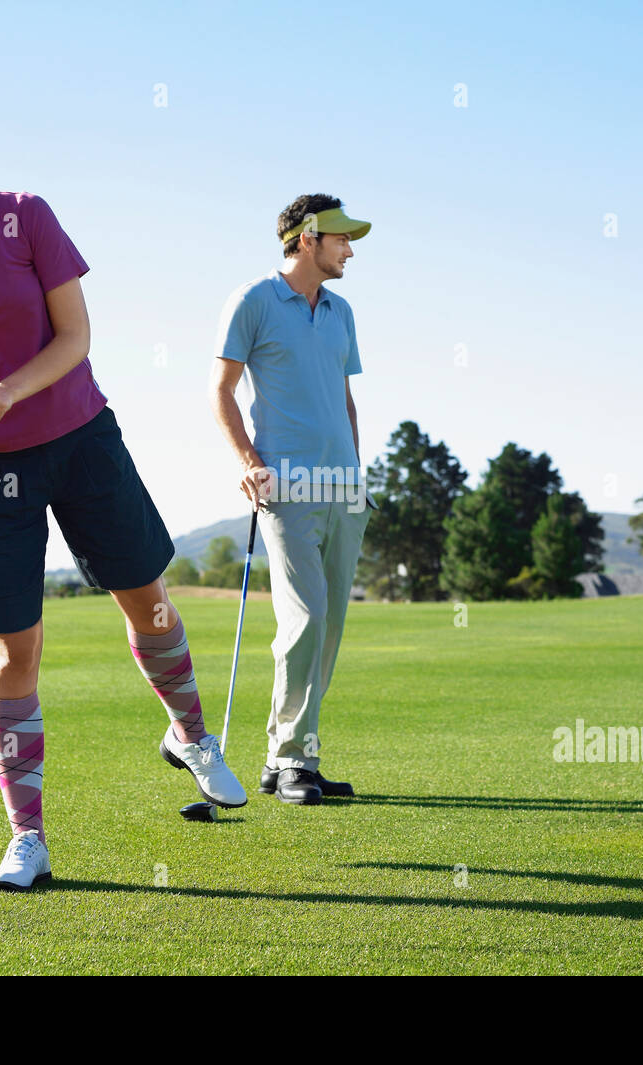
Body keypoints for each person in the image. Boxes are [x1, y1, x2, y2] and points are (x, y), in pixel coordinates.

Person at [0, 85, 245, 890]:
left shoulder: (25, 215)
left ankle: (190, 734)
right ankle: (27, 838)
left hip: (81, 436)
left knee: (148, 600)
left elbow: (76, 338)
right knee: (14, 649)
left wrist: (6, 391)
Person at [209, 194, 375, 806]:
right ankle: (290, 761)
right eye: (341, 239)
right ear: (308, 239)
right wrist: (249, 464)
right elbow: (221, 391)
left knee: (328, 626)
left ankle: (290, 752)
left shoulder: (340, 311)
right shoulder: (253, 300)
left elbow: (345, 400)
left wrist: (356, 476)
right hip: (286, 486)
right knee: (304, 619)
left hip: (343, 489)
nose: (350, 250)